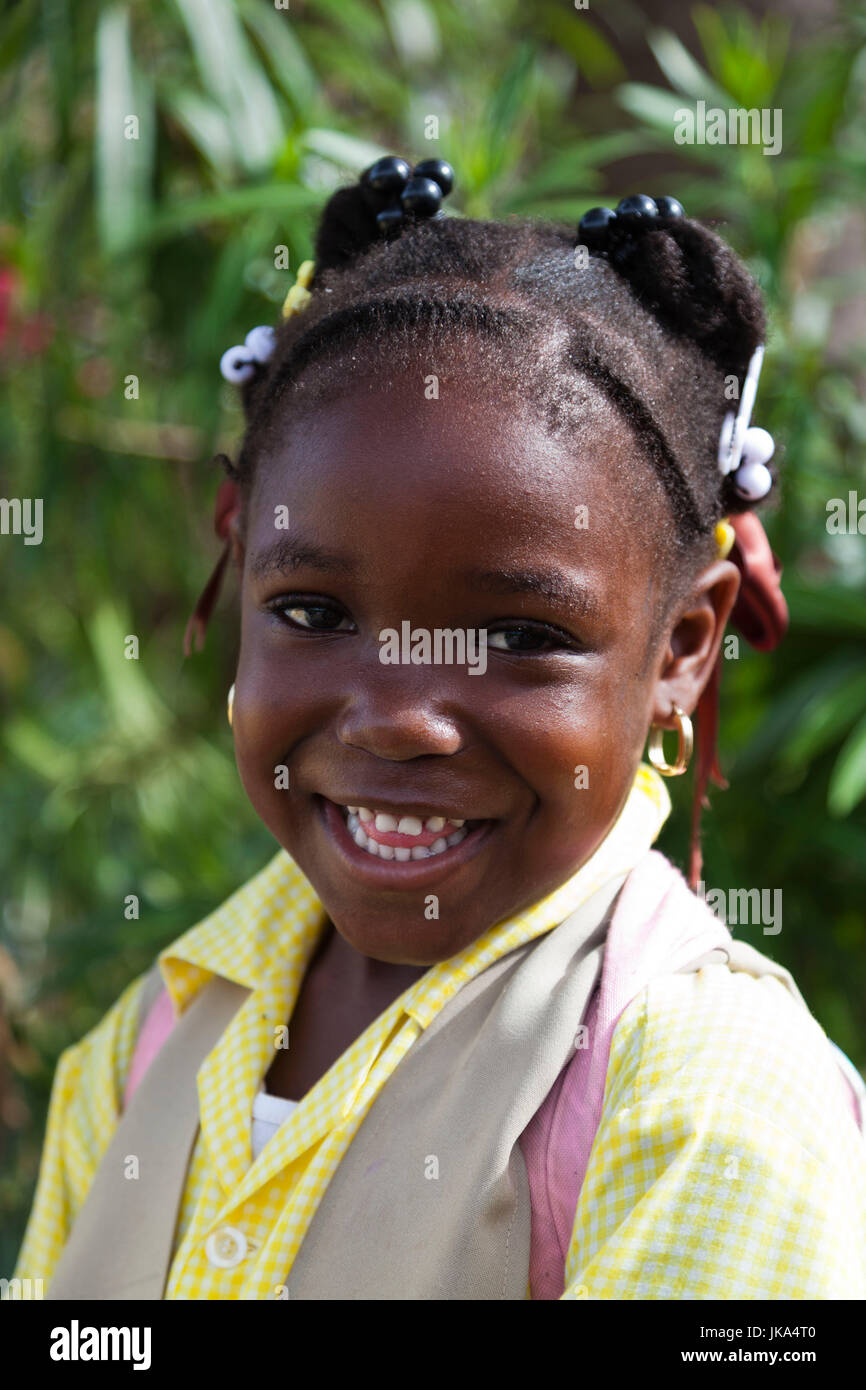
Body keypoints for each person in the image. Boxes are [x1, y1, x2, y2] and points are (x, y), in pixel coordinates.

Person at [13, 161, 866, 1301]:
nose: (398, 716)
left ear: (681, 647)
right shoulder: (147, 1049)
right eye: (312, 612)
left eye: (519, 634)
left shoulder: (695, 1092)